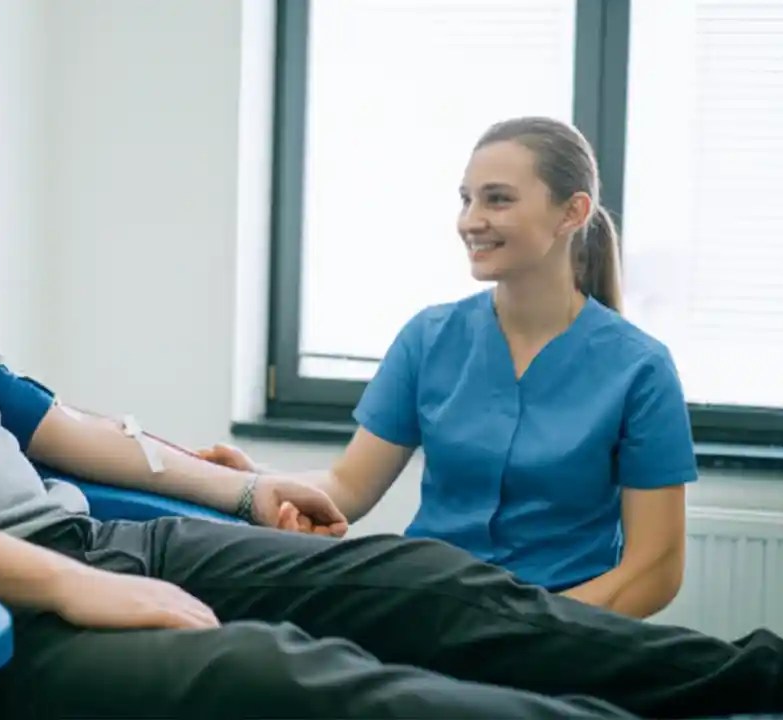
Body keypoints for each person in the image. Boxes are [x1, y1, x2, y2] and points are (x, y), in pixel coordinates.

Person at [0, 40, 783, 720]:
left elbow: (51, 423)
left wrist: (240, 496)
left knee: (409, 575)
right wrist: (80, 587)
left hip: (94, 543)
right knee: (299, 681)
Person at [202, 116, 695, 618]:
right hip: (428, 610)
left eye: (497, 199)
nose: (470, 220)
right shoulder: (429, 338)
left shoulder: (641, 370)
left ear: (572, 212)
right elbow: (348, 486)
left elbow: (654, 569)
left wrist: (532, 629)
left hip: (563, 628)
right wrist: (260, 485)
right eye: (467, 199)